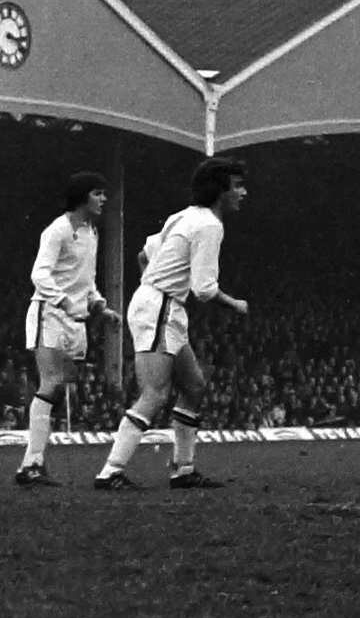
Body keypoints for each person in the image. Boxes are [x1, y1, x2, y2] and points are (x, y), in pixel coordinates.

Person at [92, 157, 251, 491]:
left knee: (194, 387)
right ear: (220, 190)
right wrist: (234, 303)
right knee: (154, 393)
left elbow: (143, 255)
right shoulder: (209, 225)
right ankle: (110, 471)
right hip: (161, 307)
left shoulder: (183, 216)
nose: (243, 192)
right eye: (238, 185)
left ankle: (184, 469)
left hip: (163, 306)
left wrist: (149, 287)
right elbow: (204, 289)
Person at [15, 173, 120, 487]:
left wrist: (101, 307)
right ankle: (30, 465)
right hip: (49, 313)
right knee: (50, 382)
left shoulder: (91, 232)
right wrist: (64, 302)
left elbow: (87, 281)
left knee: (59, 385)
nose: (103, 199)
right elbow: (39, 275)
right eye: (98, 193)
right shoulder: (58, 229)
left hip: (76, 320)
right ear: (82, 197)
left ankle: (35, 463)